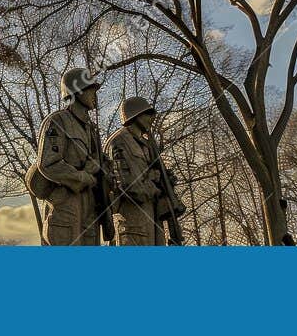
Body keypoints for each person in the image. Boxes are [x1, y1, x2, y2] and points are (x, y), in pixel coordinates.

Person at [30, 68, 114, 245]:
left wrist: (105, 169)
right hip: (65, 206)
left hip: (91, 208)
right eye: (90, 89)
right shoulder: (58, 121)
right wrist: (82, 176)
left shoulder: (91, 129)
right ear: (77, 91)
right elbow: (48, 164)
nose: (94, 95)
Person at [107, 95, 185, 245]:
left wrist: (165, 181)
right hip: (133, 220)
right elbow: (130, 186)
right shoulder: (120, 141)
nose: (151, 118)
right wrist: (154, 182)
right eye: (147, 113)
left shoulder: (147, 145)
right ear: (135, 115)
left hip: (154, 219)